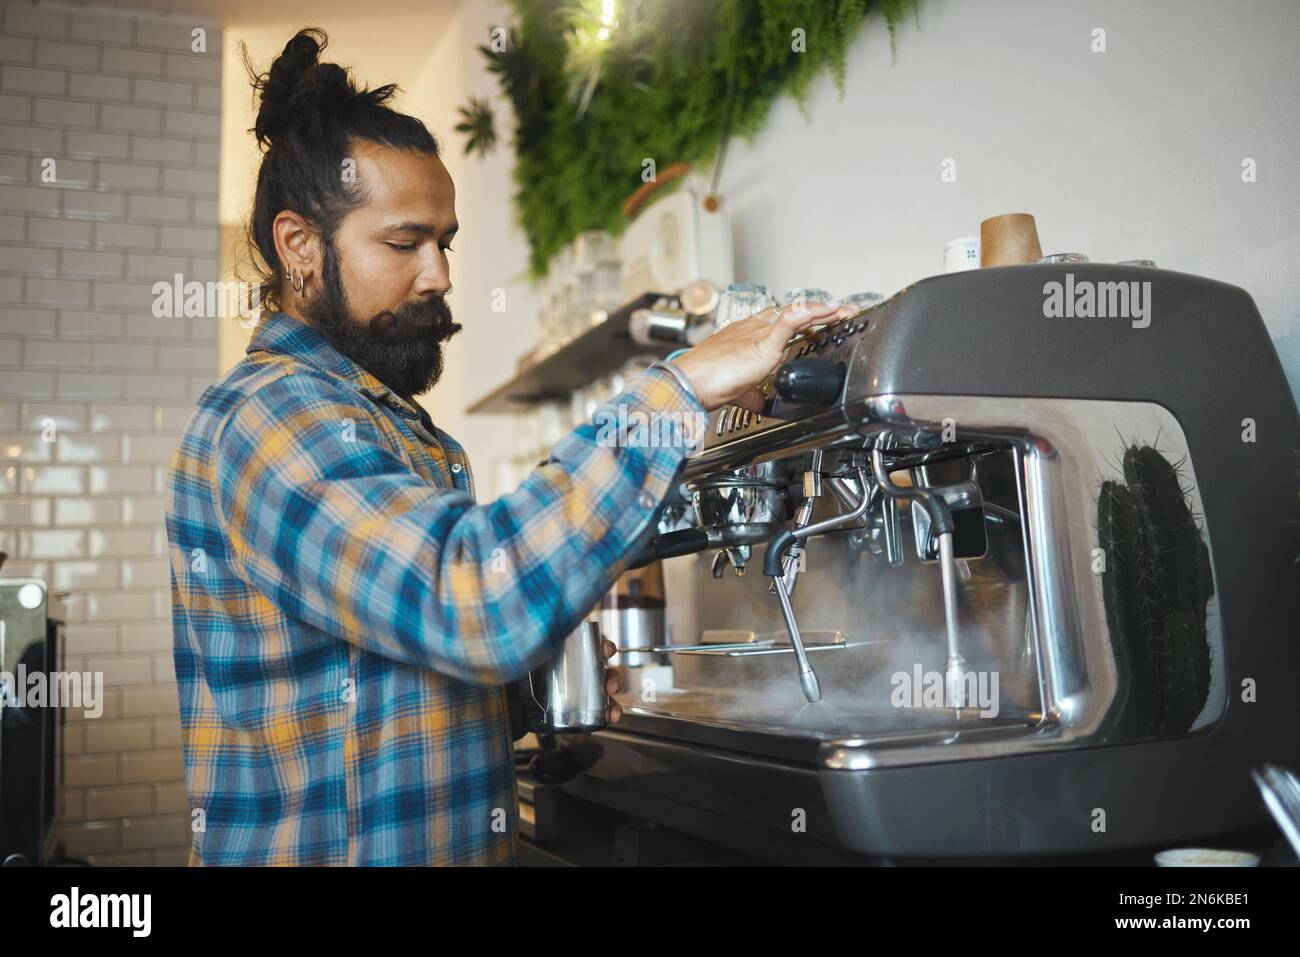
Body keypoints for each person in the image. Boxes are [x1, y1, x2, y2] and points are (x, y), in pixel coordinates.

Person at [165, 27, 843, 866]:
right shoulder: (271, 416)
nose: (440, 274)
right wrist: (681, 385)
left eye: (445, 242)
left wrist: (533, 689)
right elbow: (473, 602)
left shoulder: (390, 426)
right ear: (300, 247)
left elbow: (391, 678)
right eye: (404, 242)